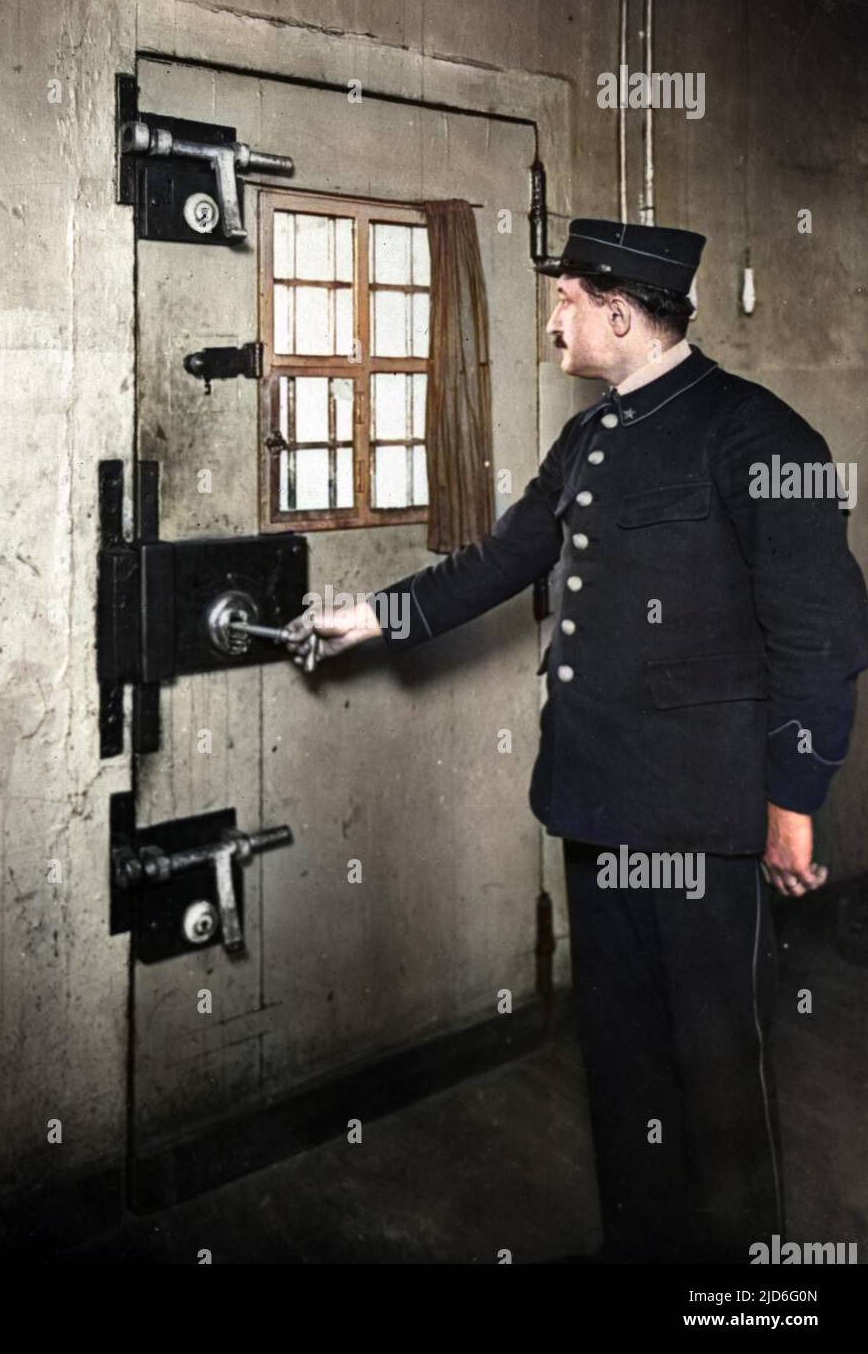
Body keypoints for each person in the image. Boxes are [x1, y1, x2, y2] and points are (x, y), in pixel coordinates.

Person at [283, 218, 868, 1263]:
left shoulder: (759, 437)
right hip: (594, 799)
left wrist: (792, 798)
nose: (550, 318)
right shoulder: (592, 436)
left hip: (703, 817)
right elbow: (505, 557)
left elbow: (822, 637)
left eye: (564, 301)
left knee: (717, 1066)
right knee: (621, 1058)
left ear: (617, 311)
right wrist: (369, 616)